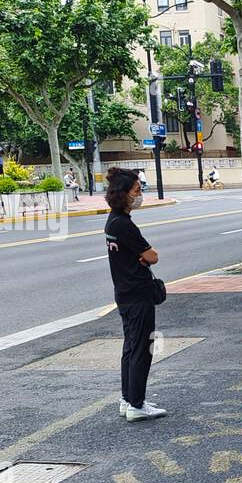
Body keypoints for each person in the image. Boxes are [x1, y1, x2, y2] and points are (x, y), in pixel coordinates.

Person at [104, 166, 166, 422]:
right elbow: (153, 255)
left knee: (131, 347)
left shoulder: (113, 221)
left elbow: (143, 256)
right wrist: (145, 258)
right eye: (137, 191)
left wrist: (142, 259)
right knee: (142, 348)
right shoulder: (125, 225)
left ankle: (128, 398)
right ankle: (137, 404)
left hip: (124, 293)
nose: (139, 195)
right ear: (123, 194)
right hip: (138, 294)